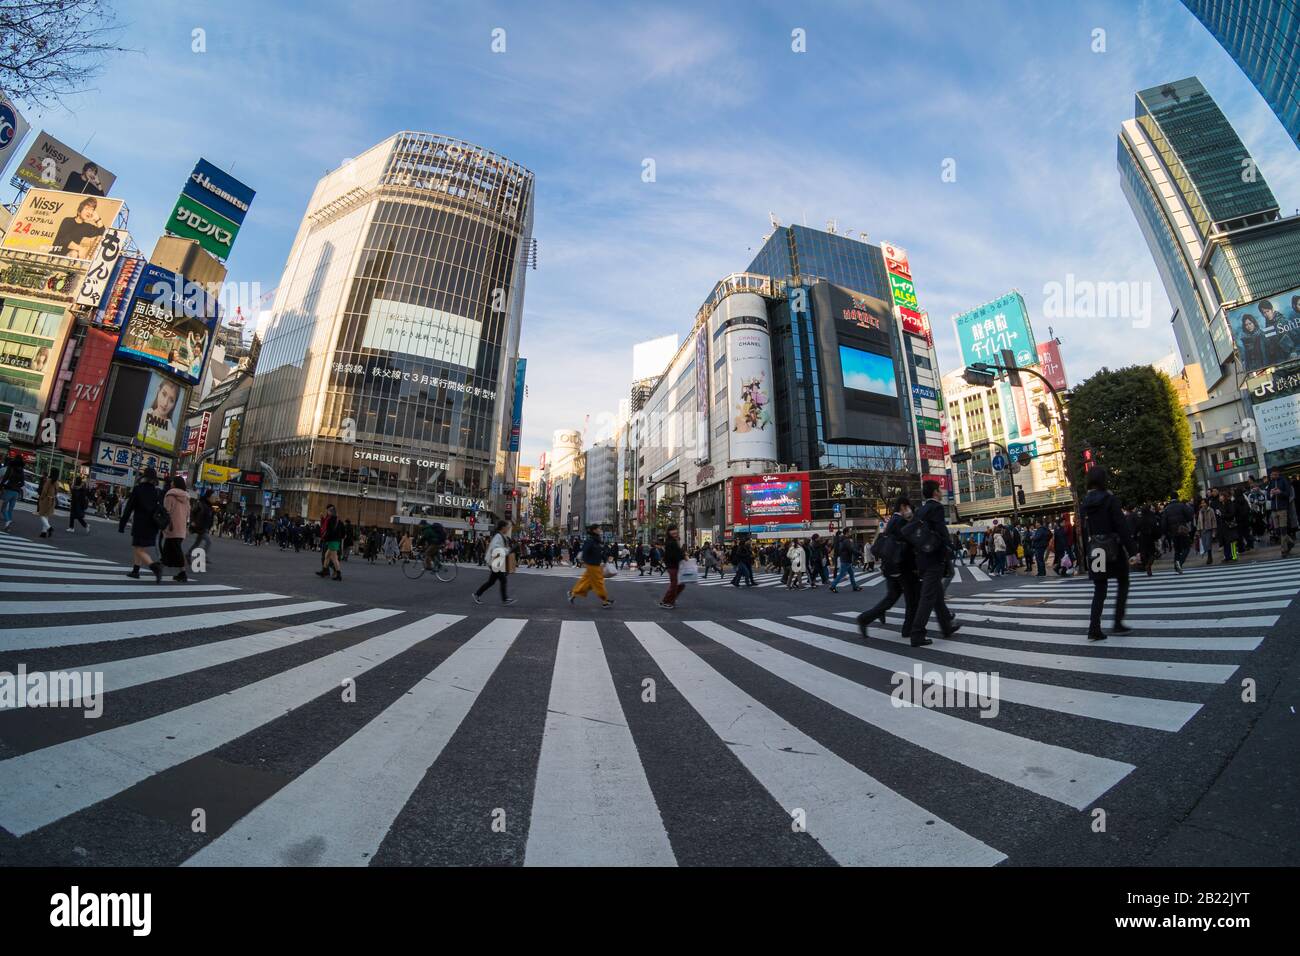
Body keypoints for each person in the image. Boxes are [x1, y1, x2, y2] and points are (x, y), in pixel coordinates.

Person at [1081, 466, 1135, 641]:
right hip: (1113, 547)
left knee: (1100, 588)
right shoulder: (1110, 499)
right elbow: (1121, 525)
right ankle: (1118, 622)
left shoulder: (1086, 502)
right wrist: (1133, 550)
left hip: (1096, 549)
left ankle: (1094, 628)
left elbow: (1083, 530)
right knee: (1123, 580)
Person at [905, 480, 960, 648]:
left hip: (922, 557)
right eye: (939, 489)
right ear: (935, 492)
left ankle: (946, 627)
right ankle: (917, 633)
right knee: (928, 597)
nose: (941, 491)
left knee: (936, 596)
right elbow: (941, 531)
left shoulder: (921, 510)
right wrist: (950, 547)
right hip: (933, 557)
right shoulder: (936, 507)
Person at [858, 497, 918, 640]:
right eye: (908, 507)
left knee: (891, 598)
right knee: (912, 600)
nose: (910, 511)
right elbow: (908, 546)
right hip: (902, 567)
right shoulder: (901, 522)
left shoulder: (890, 522)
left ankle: (865, 618)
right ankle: (908, 629)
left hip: (889, 567)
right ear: (903, 507)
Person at [119, 466, 165, 582]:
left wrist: (122, 524)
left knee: (139, 549)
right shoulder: (157, 492)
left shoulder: (138, 489)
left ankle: (155, 567)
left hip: (140, 523)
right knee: (139, 548)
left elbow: (129, 508)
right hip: (152, 525)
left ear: (144, 477)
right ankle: (135, 571)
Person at [568, 525, 614, 608]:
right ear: (594, 530)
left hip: (595, 564)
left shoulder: (597, 540)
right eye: (599, 528)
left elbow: (600, 551)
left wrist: (605, 559)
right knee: (599, 583)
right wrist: (585, 561)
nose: (600, 529)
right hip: (592, 565)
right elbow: (585, 551)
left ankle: (573, 593)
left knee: (587, 583)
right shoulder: (590, 540)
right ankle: (605, 601)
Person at [474, 519, 515, 605]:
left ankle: (477, 594)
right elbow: (496, 548)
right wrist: (509, 550)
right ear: (503, 527)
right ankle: (505, 599)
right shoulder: (498, 536)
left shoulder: (500, 536)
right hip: (495, 561)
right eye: (507, 527)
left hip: (496, 561)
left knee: (492, 581)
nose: (508, 529)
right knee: (503, 580)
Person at [161, 475, 191, 581]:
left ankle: (182, 573)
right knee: (169, 549)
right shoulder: (186, 498)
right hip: (181, 527)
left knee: (175, 550)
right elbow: (188, 513)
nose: (171, 483)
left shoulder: (170, 495)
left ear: (175, 483)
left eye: (172, 481)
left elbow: (166, 511)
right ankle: (161, 568)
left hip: (171, 526)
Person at [1161, 495, 1194, 574]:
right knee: (1187, 547)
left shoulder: (1167, 508)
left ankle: (1176, 567)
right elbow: (1189, 516)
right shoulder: (1182, 505)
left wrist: (1166, 532)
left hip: (1173, 532)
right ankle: (1180, 562)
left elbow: (1164, 523)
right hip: (1182, 529)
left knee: (1177, 550)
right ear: (1177, 497)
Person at [659, 525, 687, 609]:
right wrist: (683, 556)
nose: (674, 532)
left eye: (675, 530)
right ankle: (666, 601)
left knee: (680, 584)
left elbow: (677, 552)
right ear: (669, 532)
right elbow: (674, 555)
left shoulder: (674, 541)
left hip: (675, 565)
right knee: (675, 584)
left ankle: (670, 600)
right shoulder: (670, 542)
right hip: (672, 566)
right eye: (672, 530)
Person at [186, 488, 215, 567]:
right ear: (208, 496)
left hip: (203, 527)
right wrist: (193, 521)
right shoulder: (201, 504)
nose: (214, 498)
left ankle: (188, 554)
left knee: (197, 543)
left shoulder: (209, 505)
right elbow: (193, 512)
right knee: (209, 542)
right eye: (213, 496)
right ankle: (203, 557)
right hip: (200, 526)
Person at [316, 504, 343, 580]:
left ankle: (338, 574)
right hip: (334, 540)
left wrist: (326, 537)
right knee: (327, 556)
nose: (328, 511)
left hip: (332, 540)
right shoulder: (335, 519)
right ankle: (324, 570)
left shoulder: (332, 519)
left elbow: (329, 530)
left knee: (334, 558)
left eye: (329, 510)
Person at [1, 449, 25, 530]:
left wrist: (2, 485)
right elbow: (22, 483)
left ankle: (7, 522)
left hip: (9, 490)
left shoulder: (11, 467)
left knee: (3, 508)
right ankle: (9, 524)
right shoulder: (21, 471)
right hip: (16, 492)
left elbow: (5, 477)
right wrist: (17, 486)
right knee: (10, 509)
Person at [35, 468, 58, 537]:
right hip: (52, 500)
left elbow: (44, 491)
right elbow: (56, 493)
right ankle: (43, 532)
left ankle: (49, 528)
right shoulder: (57, 482)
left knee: (41, 514)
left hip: (46, 499)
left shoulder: (48, 481)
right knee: (46, 515)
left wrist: (41, 498)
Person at [1195, 495, 1217, 564]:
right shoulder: (1200, 511)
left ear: (1207, 503)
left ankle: (1209, 557)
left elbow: (1214, 520)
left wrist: (1214, 531)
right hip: (1202, 529)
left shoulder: (1210, 510)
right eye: (1202, 503)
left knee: (1208, 544)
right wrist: (1198, 531)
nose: (1203, 504)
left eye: (1204, 503)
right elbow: (1198, 521)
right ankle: (1208, 555)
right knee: (1204, 544)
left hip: (1209, 529)